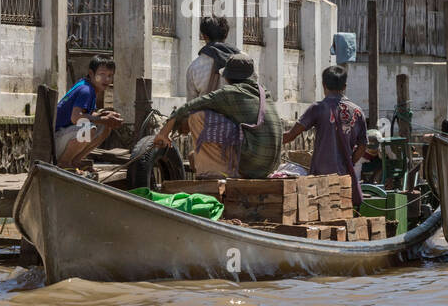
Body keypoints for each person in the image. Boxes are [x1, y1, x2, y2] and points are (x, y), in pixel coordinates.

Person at [153, 53, 283, 179]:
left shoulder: (229, 93)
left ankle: (212, 172)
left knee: (198, 117)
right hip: (270, 166)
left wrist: (164, 133)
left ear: (226, 77)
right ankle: (217, 165)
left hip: (251, 165)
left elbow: (187, 107)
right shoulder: (263, 92)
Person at [282, 65, 368, 205]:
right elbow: (363, 145)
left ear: (323, 85)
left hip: (320, 179)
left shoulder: (318, 108)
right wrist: (349, 162)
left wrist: (268, 141)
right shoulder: (358, 112)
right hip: (344, 178)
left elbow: (291, 135)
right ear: (345, 86)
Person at [54, 56, 123, 168]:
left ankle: (75, 160)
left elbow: (86, 114)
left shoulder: (87, 86)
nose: (106, 79)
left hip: (64, 136)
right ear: (91, 73)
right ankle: (64, 162)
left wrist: (103, 116)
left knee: (105, 127)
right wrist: (104, 119)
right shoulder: (86, 90)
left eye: (110, 75)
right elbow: (76, 118)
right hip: (55, 142)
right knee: (87, 128)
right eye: (102, 74)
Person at [186, 16, 237, 100]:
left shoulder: (194, 68)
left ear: (204, 36)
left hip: (207, 112)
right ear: (226, 35)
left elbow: (191, 105)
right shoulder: (244, 60)